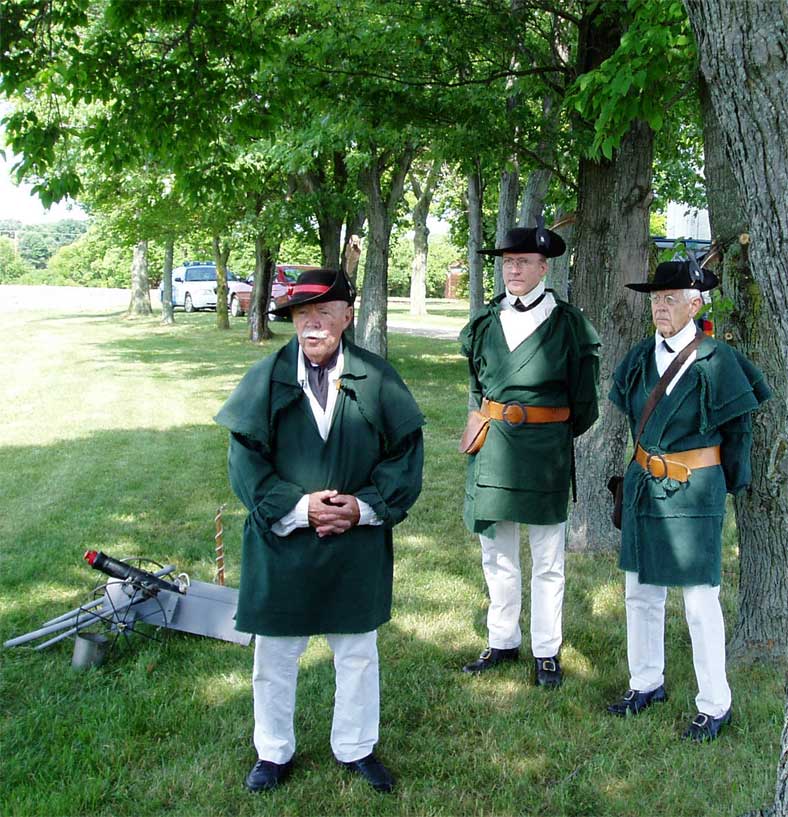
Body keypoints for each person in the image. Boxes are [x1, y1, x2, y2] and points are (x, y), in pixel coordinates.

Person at [215, 268, 424, 792]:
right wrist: (300, 508)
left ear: (347, 318)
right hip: (282, 542)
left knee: (357, 651)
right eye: (303, 315)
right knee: (276, 654)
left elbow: (405, 459)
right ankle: (273, 751)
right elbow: (245, 465)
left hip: (355, 542)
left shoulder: (378, 379)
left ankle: (356, 747)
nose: (313, 324)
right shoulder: (264, 380)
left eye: (325, 313)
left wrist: (362, 508)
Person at [606, 260, 770, 741]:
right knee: (640, 593)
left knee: (700, 601)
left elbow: (739, 433)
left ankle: (715, 704)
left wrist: (726, 487)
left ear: (696, 303)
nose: (660, 305)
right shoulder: (640, 357)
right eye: (656, 298)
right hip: (643, 486)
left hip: (696, 491)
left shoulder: (719, 360)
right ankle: (646, 683)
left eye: (671, 298)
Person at [459, 224, 600, 686]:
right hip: (495, 448)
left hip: (545, 453)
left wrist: (546, 428)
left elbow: (584, 404)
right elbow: (477, 387)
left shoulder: (569, 324)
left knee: (547, 558)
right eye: (507, 262)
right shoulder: (484, 322)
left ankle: (546, 650)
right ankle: (502, 640)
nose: (513, 270)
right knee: (496, 554)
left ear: (544, 267)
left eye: (523, 262)